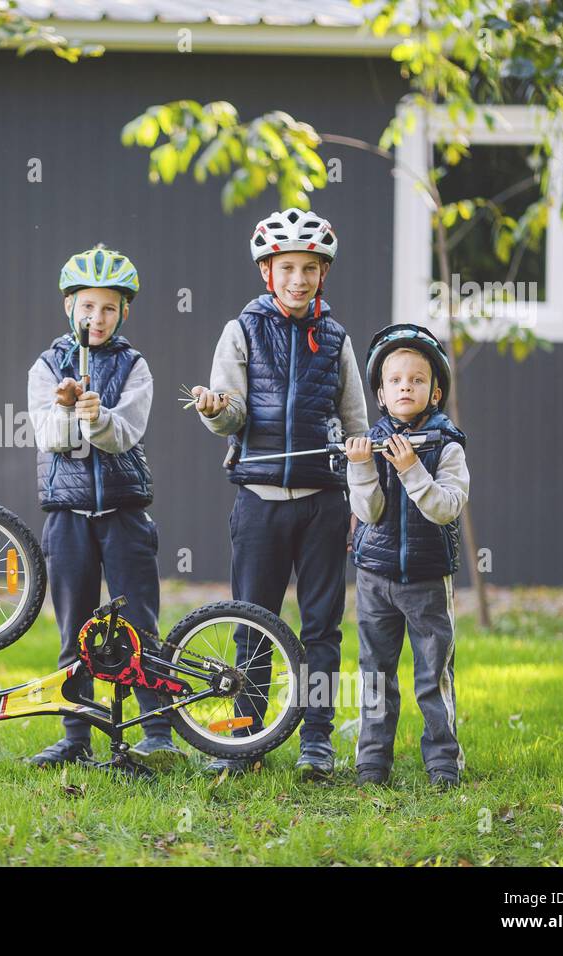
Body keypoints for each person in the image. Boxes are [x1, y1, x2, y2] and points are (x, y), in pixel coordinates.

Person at [189, 208, 368, 779]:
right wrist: (217, 412)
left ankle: (317, 740)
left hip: (323, 503)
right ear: (267, 272)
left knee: (321, 627)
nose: (299, 279)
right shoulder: (240, 331)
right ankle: (250, 737)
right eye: (287, 267)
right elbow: (233, 410)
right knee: (253, 623)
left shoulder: (336, 339)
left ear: (323, 273)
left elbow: (356, 422)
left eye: (310, 268)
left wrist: (362, 488)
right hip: (259, 502)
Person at [25, 245, 184, 770]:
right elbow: (48, 436)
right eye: (87, 306)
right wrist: (68, 408)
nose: (97, 317)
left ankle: (156, 731)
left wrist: (97, 418)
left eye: (109, 308)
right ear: (68, 306)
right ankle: (78, 734)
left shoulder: (134, 366)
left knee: (139, 623)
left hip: (124, 511)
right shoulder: (47, 366)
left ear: (124, 313)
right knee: (75, 627)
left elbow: (126, 434)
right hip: (67, 515)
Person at [345, 324, 469, 789]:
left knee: (432, 675)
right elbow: (370, 512)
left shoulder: (447, 445)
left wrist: (412, 469)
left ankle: (442, 763)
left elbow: (444, 508)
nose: (405, 387)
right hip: (375, 576)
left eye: (417, 380)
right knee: (376, 673)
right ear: (380, 391)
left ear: (435, 391)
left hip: (427, 578)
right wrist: (361, 467)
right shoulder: (370, 441)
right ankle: (372, 763)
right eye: (395, 380)